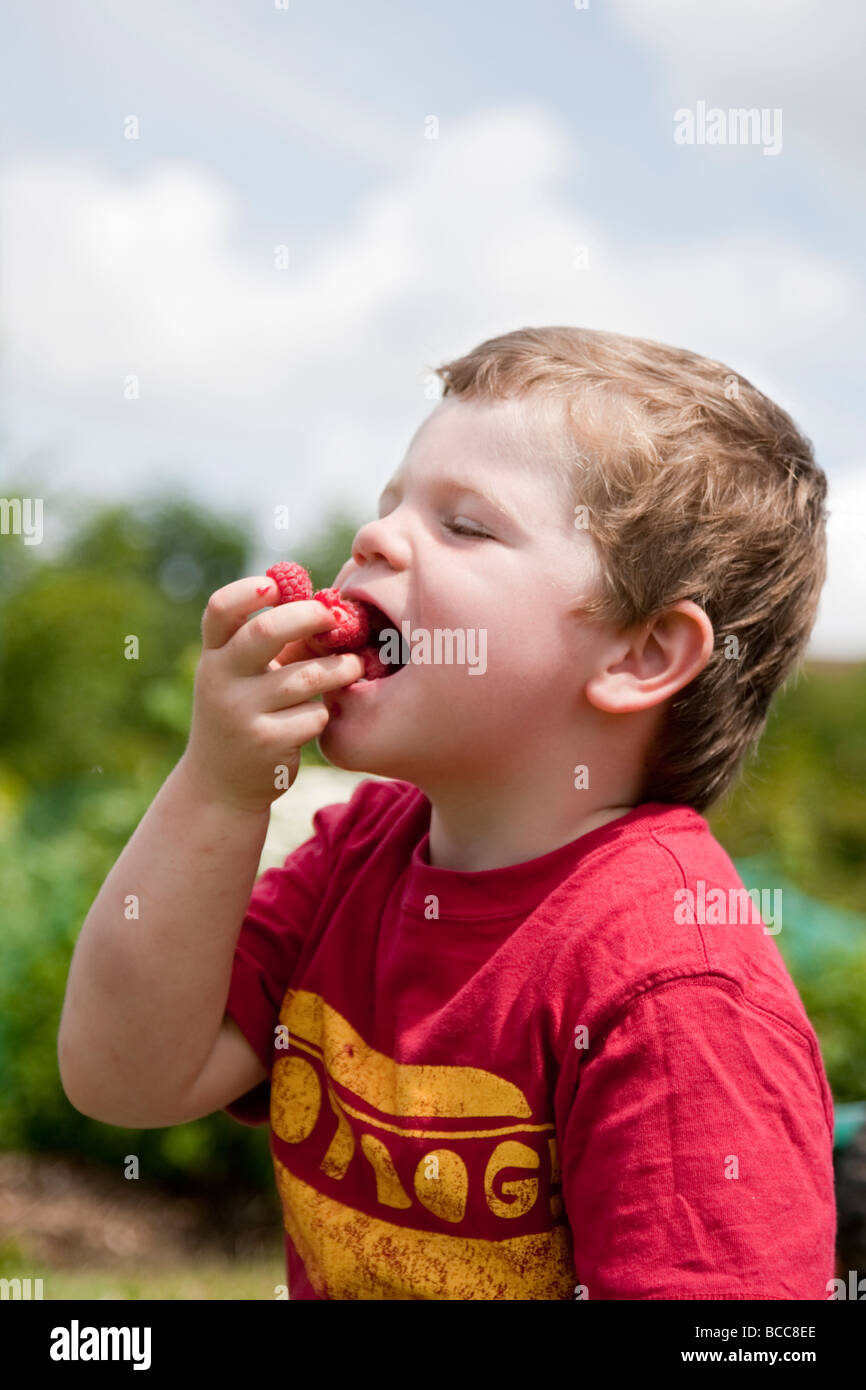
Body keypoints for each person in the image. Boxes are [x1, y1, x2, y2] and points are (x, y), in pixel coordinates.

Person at [58, 326, 837, 1299]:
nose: (374, 538)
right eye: (391, 505)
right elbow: (124, 1075)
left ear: (639, 656)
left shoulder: (672, 986)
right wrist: (217, 783)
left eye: (464, 525)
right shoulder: (359, 856)